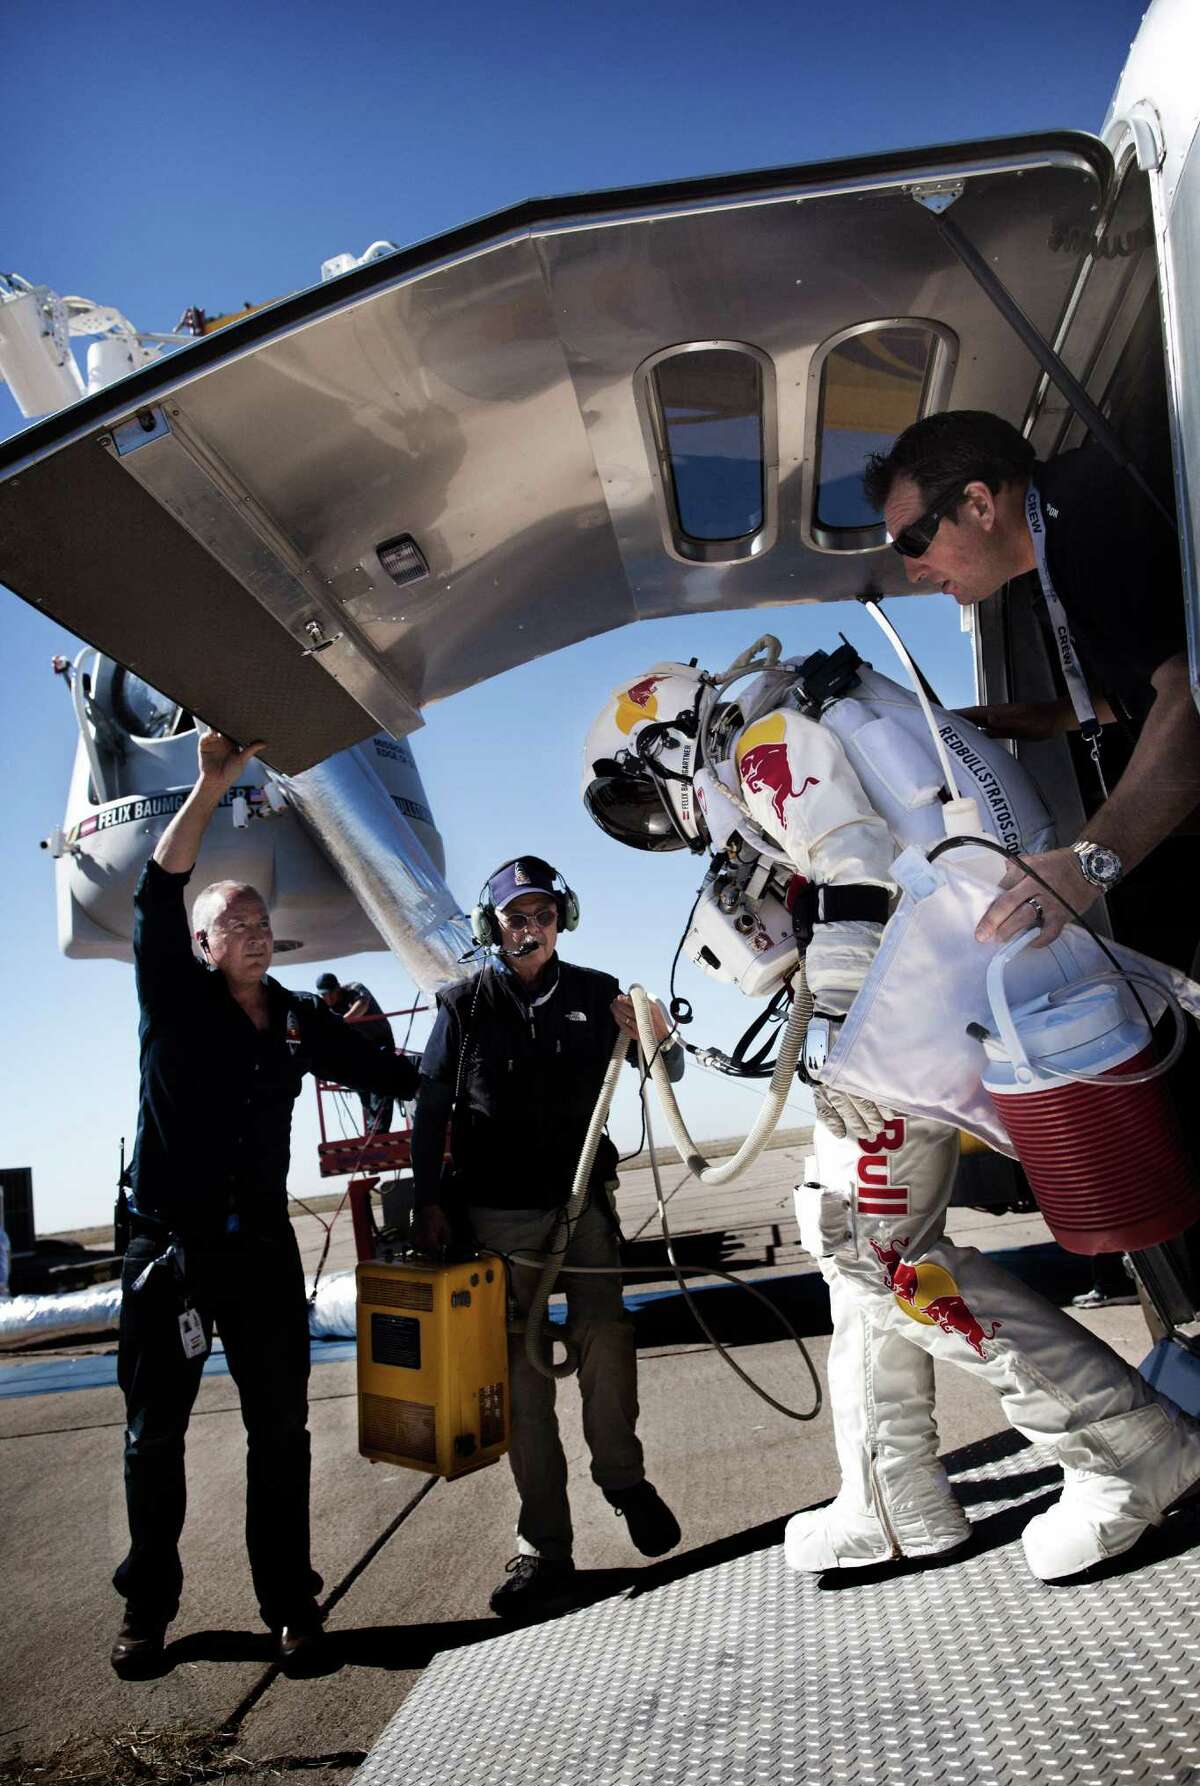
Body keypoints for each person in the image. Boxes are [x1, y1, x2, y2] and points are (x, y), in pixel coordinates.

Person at [582, 649, 1200, 1583]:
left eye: (642, 794)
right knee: (849, 1240)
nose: (659, 819)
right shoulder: (831, 705)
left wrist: (838, 1034)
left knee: (883, 1251)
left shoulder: (763, 745)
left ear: (668, 741)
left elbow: (855, 866)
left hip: (911, 1017)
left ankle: (1127, 1448)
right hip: (968, 989)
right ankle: (889, 1498)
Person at [110, 729, 420, 1677]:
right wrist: (211, 786)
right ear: (201, 946)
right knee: (152, 1436)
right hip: (168, 1254)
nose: (249, 932)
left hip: (260, 1258)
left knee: (279, 1432)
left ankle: (290, 1607)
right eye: (230, 924)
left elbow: (389, 1068)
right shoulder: (172, 993)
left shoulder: (292, 1018)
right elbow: (157, 890)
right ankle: (148, 1611)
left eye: (257, 921)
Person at [410, 855, 683, 1619]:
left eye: (543, 915)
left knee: (607, 1338)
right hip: (497, 1218)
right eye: (515, 918)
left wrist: (656, 1035)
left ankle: (624, 1482)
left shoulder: (601, 995)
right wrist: (428, 1200)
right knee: (520, 1380)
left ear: (563, 919)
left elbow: (672, 1073)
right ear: (489, 928)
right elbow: (430, 1110)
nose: (531, 929)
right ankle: (546, 1549)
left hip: (582, 1208)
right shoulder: (462, 1006)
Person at [861, 409, 1200, 952]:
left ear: (978, 503)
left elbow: (1190, 694)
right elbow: (1156, 678)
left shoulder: (1091, 513)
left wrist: (1087, 866)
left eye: (913, 541)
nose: (911, 571)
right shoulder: (1057, 561)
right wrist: (1052, 716)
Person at [315, 972, 398, 1135]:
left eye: (328, 994)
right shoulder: (327, 1007)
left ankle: (378, 1131)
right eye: (323, 995)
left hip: (380, 1042)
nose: (326, 998)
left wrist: (341, 1022)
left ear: (337, 989)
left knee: (382, 1081)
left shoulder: (354, 990)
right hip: (360, 1049)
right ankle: (372, 1129)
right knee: (362, 1085)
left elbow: (362, 1005)